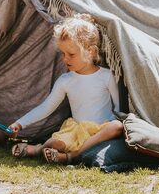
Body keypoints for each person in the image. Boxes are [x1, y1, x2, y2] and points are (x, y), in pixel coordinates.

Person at [8, 13, 122, 164]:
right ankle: (38, 149)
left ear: (91, 51)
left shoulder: (106, 76)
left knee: (117, 126)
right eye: (63, 53)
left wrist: (108, 125)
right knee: (53, 144)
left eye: (71, 54)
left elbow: (118, 108)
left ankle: (70, 156)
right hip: (76, 131)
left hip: (100, 130)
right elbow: (46, 107)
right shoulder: (65, 81)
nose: (65, 59)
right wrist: (19, 123)